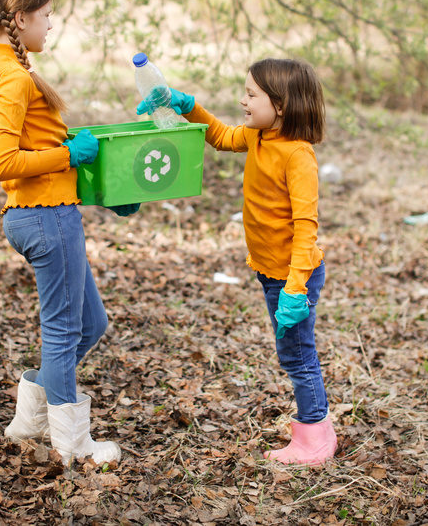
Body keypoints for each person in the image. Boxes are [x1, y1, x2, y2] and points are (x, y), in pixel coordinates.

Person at [138, 58, 336, 466]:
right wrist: (185, 104)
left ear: (279, 105)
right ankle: (312, 429)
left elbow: (306, 226)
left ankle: (316, 438)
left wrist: (296, 288)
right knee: (292, 353)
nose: (243, 101)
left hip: (293, 278)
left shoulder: (297, 155)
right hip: (270, 272)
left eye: (251, 94)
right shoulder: (258, 136)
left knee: (298, 356)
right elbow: (222, 137)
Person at [0, 0, 136, 467]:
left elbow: (34, 146)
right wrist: (69, 156)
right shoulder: (11, 78)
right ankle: (72, 445)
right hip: (44, 217)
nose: (51, 25)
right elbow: (2, 163)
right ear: (20, 18)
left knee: (91, 323)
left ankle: (30, 418)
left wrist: (87, 167)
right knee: (65, 331)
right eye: (46, 16)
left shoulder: (13, 71)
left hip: (50, 211)